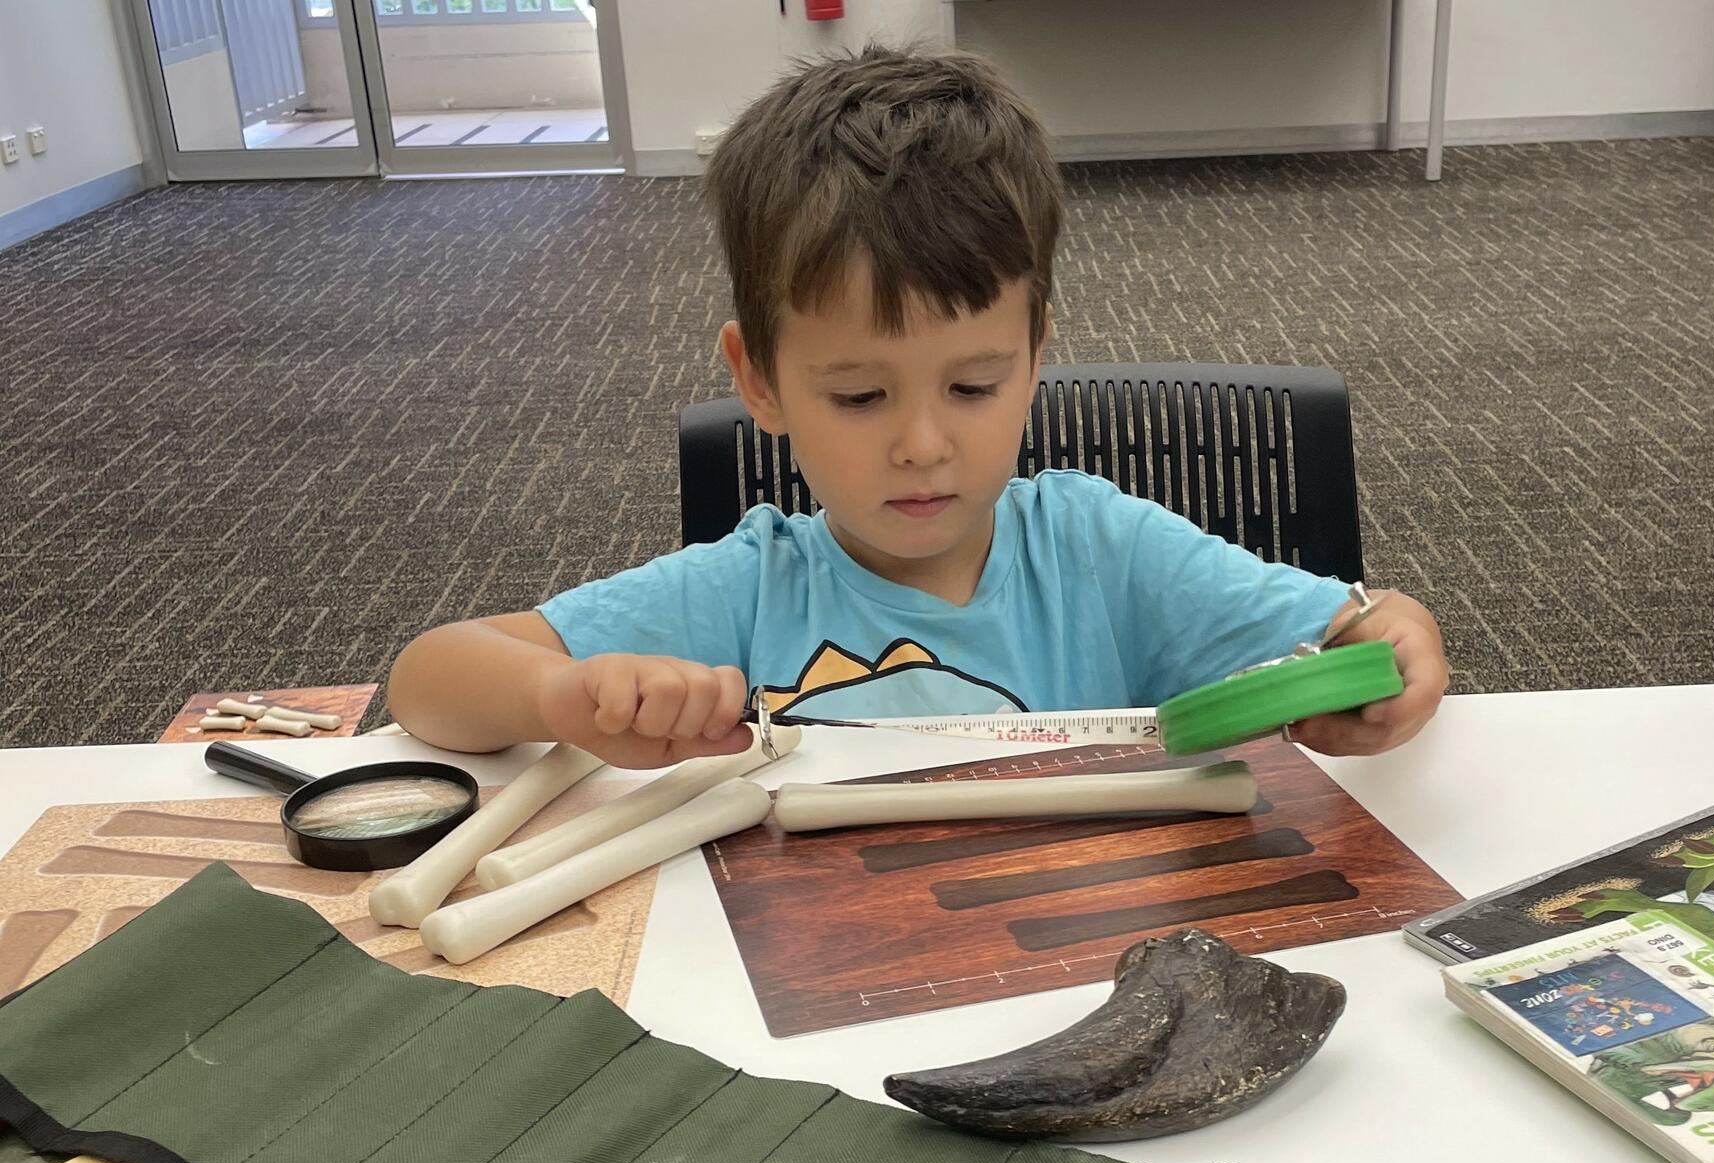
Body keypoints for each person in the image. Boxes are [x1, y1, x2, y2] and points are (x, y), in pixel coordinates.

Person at [387, 45, 1448, 769]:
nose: (922, 445)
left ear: (1036, 357)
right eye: (856, 394)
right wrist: (561, 699)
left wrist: (1391, 640)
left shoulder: (1102, 550)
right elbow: (428, 678)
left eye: (974, 386)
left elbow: (1344, 637)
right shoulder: (749, 588)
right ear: (757, 379)